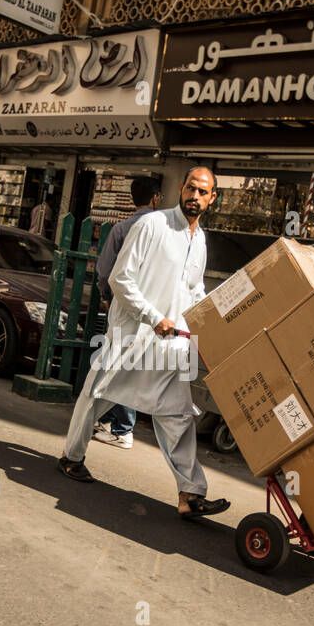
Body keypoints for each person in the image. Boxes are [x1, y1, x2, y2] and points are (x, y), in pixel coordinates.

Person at [58, 166, 230, 521]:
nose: (194, 196)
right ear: (180, 188)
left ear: (212, 199)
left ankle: (190, 494)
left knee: (179, 415)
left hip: (170, 347)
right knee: (96, 397)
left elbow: (192, 288)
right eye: (190, 188)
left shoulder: (200, 241)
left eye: (203, 192)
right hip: (131, 336)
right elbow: (121, 278)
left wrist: (206, 319)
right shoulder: (151, 226)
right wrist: (154, 317)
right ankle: (71, 457)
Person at [89, 175, 162, 450]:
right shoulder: (163, 232)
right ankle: (117, 424)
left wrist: (108, 299)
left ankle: (121, 428)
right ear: (155, 198)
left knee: (116, 365)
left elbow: (104, 272)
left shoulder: (122, 229)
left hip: (123, 308)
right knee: (129, 366)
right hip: (151, 312)